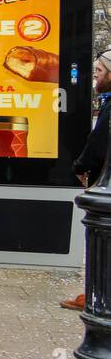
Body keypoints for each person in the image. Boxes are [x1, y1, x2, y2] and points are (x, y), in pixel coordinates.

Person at [61, 51, 111, 310]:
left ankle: (96, 296)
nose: (95, 74)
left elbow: (98, 143)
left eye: (100, 71)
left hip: (105, 183)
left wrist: (81, 166)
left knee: (102, 238)